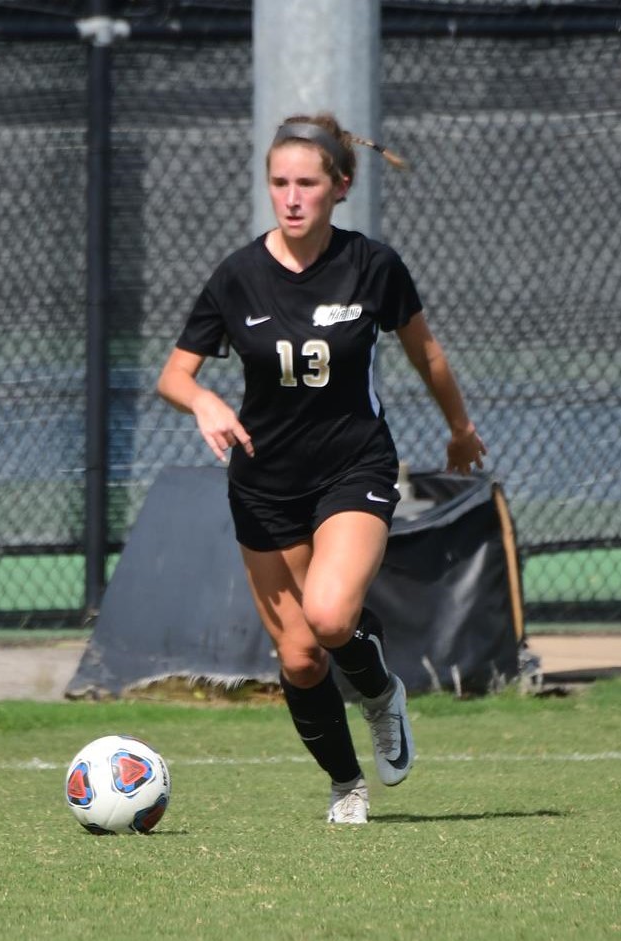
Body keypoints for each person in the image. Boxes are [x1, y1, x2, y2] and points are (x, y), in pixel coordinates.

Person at [156, 113, 486, 825]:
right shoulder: (238, 275)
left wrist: (459, 428)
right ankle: (345, 783)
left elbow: (425, 353)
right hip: (262, 481)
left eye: (307, 182)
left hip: (353, 465)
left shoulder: (372, 265)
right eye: (279, 182)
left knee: (331, 614)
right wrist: (203, 400)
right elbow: (173, 375)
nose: (291, 197)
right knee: (301, 659)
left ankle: (380, 695)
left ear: (341, 187)